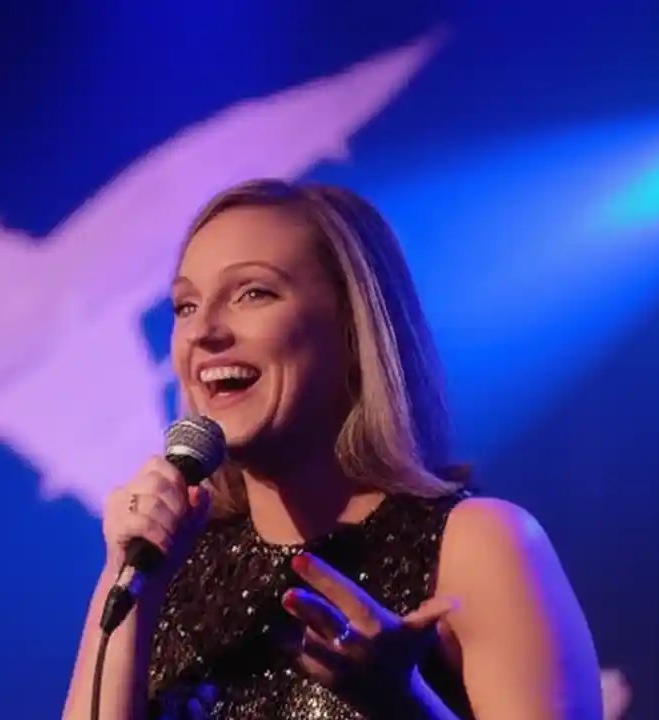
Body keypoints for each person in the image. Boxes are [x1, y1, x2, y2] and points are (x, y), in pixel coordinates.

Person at [61, 179, 603, 719]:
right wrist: (128, 578)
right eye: (185, 306)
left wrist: (404, 706)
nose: (203, 331)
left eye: (253, 293)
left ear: (352, 327)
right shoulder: (168, 568)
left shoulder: (479, 545)